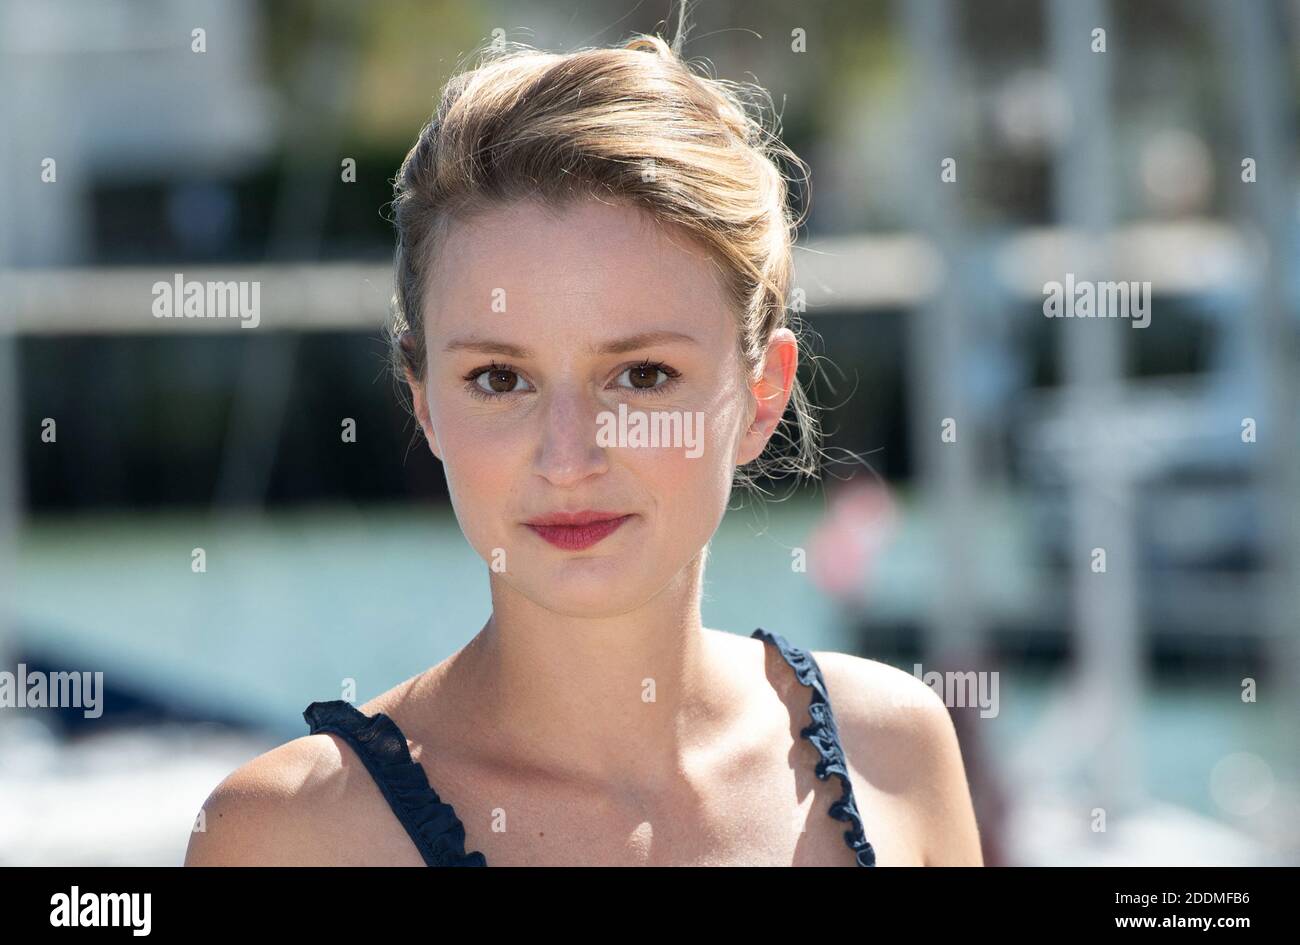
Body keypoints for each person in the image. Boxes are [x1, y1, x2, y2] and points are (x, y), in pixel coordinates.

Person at [184, 27, 983, 867]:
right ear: (423, 404)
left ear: (761, 395)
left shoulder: (893, 752)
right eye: (500, 379)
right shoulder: (291, 838)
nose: (568, 457)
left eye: (640, 375)